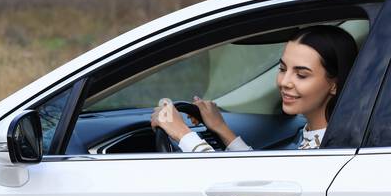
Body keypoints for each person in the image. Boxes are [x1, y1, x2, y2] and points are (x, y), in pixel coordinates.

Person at [150, 24, 359, 152]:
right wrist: (222, 130)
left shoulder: (331, 147)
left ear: (334, 84)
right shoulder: (316, 133)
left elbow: (242, 194)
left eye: (301, 74)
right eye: (282, 68)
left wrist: (183, 134)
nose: (284, 81)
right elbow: (262, 182)